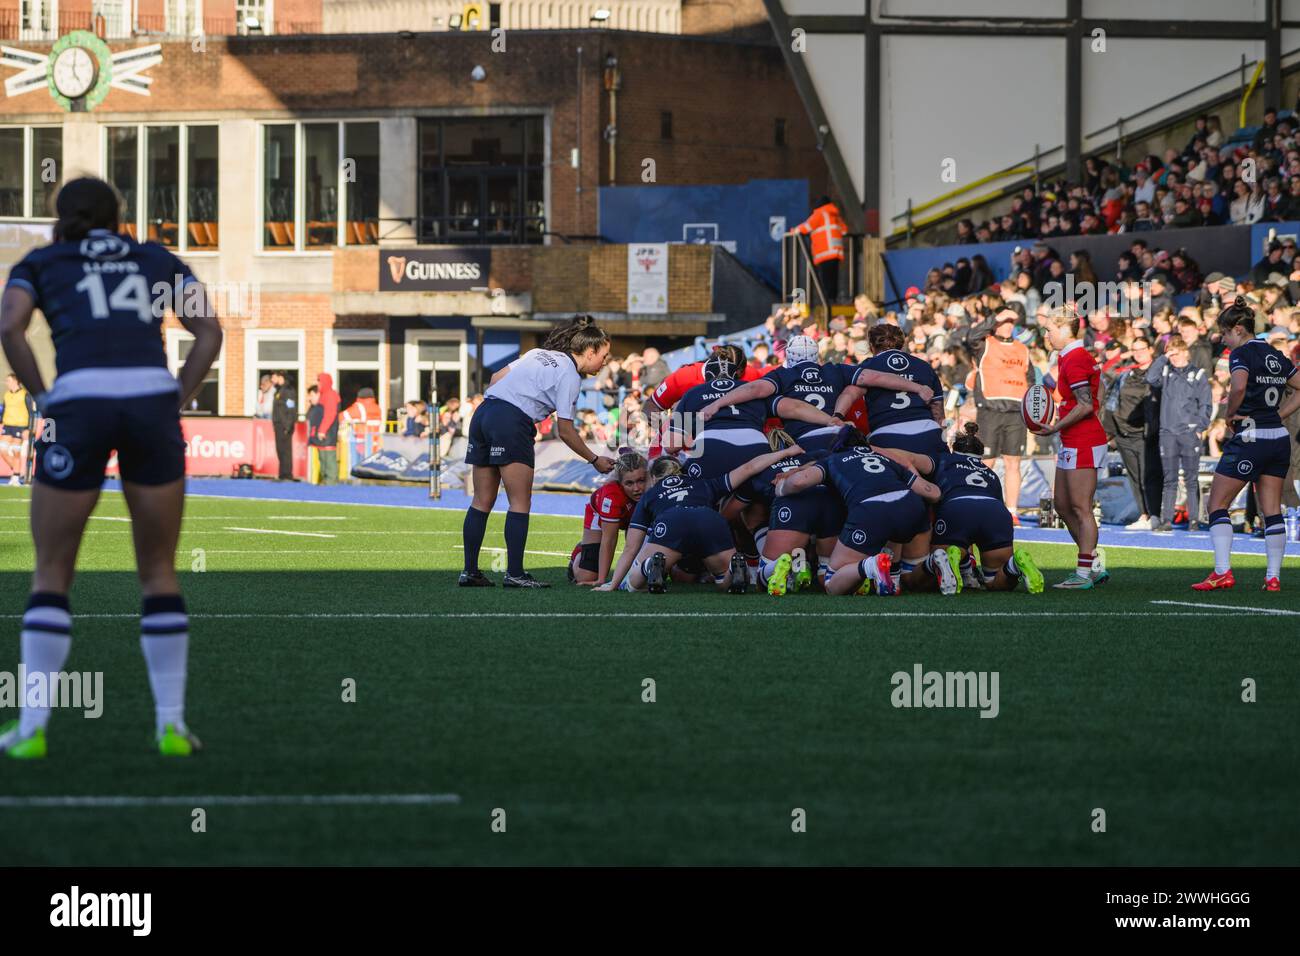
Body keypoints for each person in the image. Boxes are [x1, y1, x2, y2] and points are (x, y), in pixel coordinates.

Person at [0, 176, 222, 758]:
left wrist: (43, 396)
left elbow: (8, 325)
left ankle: (32, 730)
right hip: (149, 400)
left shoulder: (44, 259)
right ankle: (170, 726)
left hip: (78, 403)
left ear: (59, 213)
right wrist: (175, 395)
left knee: (51, 572)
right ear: (117, 213)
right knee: (158, 571)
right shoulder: (155, 256)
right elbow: (209, 331)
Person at [460, 315, 617, 589]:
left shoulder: (538, 353)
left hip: (484, 413)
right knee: (520, 502)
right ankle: (515, 574)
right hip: (512, 421)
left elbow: (496, 378)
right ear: (589, 351)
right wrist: (594, 459)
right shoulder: (570, 375)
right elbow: (566, 431)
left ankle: (470, 572)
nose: (604, 363)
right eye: (603, 356)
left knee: (481, 500)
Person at [1193, 297, 1300, 592]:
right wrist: (1278, 414)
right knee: (1271, 510)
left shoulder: (1241, 354)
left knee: (1217, 504)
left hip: (1250, 436)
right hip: (1277, 437)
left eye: (1225, 334)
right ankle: (1273, 577)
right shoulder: (1275, 354)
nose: (1224, 341)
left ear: (1238, 329)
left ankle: (1222, 572)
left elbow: (1238, 386)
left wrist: (1228, 415)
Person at [598, 444, 801, 594]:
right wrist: (786, 452)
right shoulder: (704, 484)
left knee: (635, 584)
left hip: (672, 521)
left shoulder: (650, 495)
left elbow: (631, 548)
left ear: (653, 478)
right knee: (725, 582)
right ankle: (734, 568)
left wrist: (612, 584)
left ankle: (649, 565)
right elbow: (748, 468)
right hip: (710, 520)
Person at [881, 422, 1044, 594]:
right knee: (994, 581)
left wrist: (873, 448)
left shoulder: (944, 460)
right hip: (995, 512)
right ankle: (1014, 565)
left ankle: (936, 561)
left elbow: (908, 459)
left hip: (958, 507)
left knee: (915, 583)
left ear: (953, 448)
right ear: (980, 454)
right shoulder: (991, 474)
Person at [698, 334, 929, 455]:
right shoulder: (835, 370)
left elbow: (754, 389)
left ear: (789, 355)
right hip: (841, 438)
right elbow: (875, 377)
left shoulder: (782, 375)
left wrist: (718, 403)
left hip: (806, 442)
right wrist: (917, 387)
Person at [774, 436, 943, 596]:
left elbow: (799, 481)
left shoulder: (833, 459)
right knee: (893, 526)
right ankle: (897, 576)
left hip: (872, 509)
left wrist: (781, 487)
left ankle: (870, 566)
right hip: (912, 507)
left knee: (832, 581)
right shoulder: (886, 460)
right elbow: (934, 493)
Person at [1031, 308, 1110, 589]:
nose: (1046, 334)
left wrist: (1054, 426)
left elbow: (1086, 403)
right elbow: (1097, 393)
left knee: (1080, 507)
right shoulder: (1073, 356)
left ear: (1065, 329)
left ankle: (1084, 571)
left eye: (1050, 328)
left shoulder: (1075, 358)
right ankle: (1091, 562)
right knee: (1063, 506)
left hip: (1083, 440)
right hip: (1073, 438)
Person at [833, 323, 945, 469]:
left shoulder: (868, 366)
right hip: (927, 431)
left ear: (871, 346)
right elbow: (938, 410)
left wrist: (837, 416)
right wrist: (940, 436)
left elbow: (850, 393)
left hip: (888, 434)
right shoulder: (923, 366)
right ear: (901, 343)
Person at [968, 308, 1031, 523]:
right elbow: (971, 336)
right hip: (991, 410)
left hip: (1016, 412)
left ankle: (1012, 510)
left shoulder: (1023, 349)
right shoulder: (985, 343)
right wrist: (994, 318)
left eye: (1011, 321)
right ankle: (983, 505)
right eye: (1004, 321)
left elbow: (1029, 380)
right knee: (988, 462)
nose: (1008, 325)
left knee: (1014, 463)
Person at [1145, 339, 1213, 532]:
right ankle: (1167, 520)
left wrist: (1199, 427)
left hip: (1189, 433)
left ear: (1185, 352)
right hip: (1168, 433)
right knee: (1169, 479)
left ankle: (1193, 520)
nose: (1172, 358)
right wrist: (1163, 357)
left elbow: (1206, 404)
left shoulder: (1198, 375)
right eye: (1170, 354)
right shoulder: (1166, 372)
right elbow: (1150, 378)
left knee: (1191, 479)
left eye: (1175, 353)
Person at [1102, 337, 1162, 530]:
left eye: (1142, 349)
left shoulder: (1158, 373)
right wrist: (1124, 355)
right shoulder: (1126, 374)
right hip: (1123, 433)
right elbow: (1106, 373)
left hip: (1146, 434)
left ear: (1151, 349)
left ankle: (1155, 514)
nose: (1138, 353)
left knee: (1149, 476)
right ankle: (1144, 514)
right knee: (1134, 477)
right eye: (1134, 350)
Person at [569, 451, 647, 586]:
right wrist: (601, 579)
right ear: (620, 482)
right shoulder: (611, 495)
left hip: (634, 516)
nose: (636, 489)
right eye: (629, 483)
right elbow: (609, 540)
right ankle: (580, 552)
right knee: (586, 576)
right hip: (599, 515)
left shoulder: (654, 487)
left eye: (641, 481)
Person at [790, 195, 847, 303]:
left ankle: (827, 301)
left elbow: (807, 226)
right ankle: (833, 299)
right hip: (836, 252)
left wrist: (794, 230)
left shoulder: (821, 213)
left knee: (825, 279)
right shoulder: (835, 215)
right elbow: (844, 230)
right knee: (833, 278)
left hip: (824, 253)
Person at [0, 372, 36, 485]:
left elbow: (31, 413)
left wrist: (28, 429)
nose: (7, 383)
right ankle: (19, 471)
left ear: (16, 381)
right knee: (2, 449)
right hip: (8, 425)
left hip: (20, 426)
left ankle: (15, 478)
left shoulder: (25, 395)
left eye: (9, 381)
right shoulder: (6, 395)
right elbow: (4, 410)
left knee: (16, 451)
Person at [307, 372, 341, 485]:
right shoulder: (324, 395)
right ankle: (326, 479)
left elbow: (330, 414)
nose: (318, 384)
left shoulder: (330, 395)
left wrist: (322, 430)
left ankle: (331, 480)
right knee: (323, 457)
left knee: (328, 456)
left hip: (328, 432)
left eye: (320, 381)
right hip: (324, 431)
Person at [270, 370, 298, 481]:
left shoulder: (288, 391)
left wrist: (288, 425)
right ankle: (282, 473)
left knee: (285, 450)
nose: (272, 379)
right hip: (279, 425)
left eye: (273, 376)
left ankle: (287, 474)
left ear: (280, 377)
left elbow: (291, 409)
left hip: (285, 425)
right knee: (280, 450)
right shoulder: (279, 391)